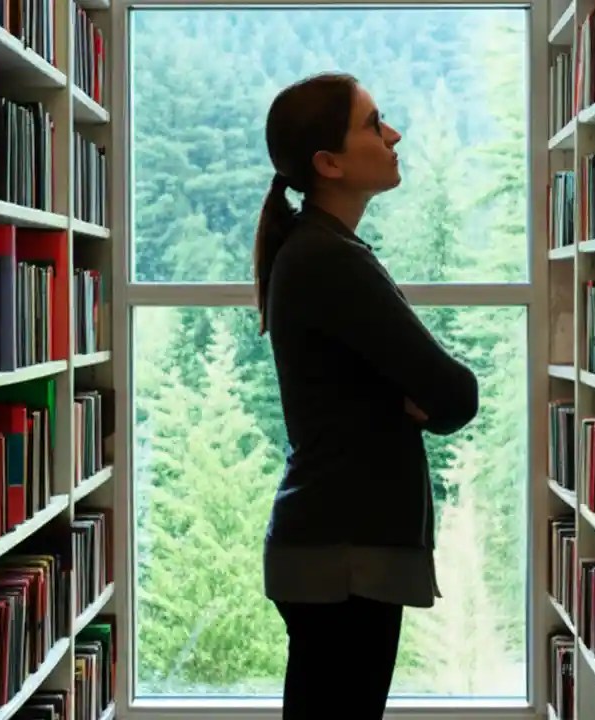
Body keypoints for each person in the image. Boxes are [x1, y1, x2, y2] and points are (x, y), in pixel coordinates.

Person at [253, 72, 480, 720]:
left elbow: (432, 389)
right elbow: (452, 390)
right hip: (342, 556)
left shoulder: (321, 249)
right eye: (374, 123)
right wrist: (418, 400)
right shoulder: (330, 259)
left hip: (335, 549)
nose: (394, 133)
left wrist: (416, 397)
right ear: (329, 163)